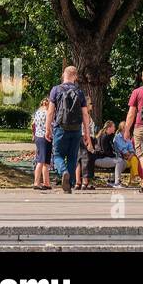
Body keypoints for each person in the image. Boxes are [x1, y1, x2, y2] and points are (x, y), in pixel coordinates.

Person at [46, 65, 92, 194]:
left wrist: (47, 129)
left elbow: (50, 112)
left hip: (61, 127)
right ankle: (70, 183)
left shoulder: (56, 90)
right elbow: (85, 114)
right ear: (75, 77)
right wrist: (87, 133)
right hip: (76, 129)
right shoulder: (80, 92)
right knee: (72, 157)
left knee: (58, 155)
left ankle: (63, 172)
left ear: (63, 75)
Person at [80, 120, 123, 189]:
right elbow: (105, 152)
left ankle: (112, 181)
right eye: (113, 127)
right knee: (119, 161)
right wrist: (115, 155)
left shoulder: (109, 136)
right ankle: (116, 183)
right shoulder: (104, 137)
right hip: (98, 159)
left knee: (122, 161)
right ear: (109, 128)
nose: (115, 128)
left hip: (103, 157)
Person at [31, 97, 52, 191]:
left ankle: (46, 183)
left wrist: (33, 135)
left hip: (38, 137)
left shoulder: (37, 113)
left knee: (45, 161)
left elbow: (33, 124)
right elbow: (51, 125)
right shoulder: (48, 113)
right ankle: (36, 182)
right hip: (45, 137)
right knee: (42, 161)